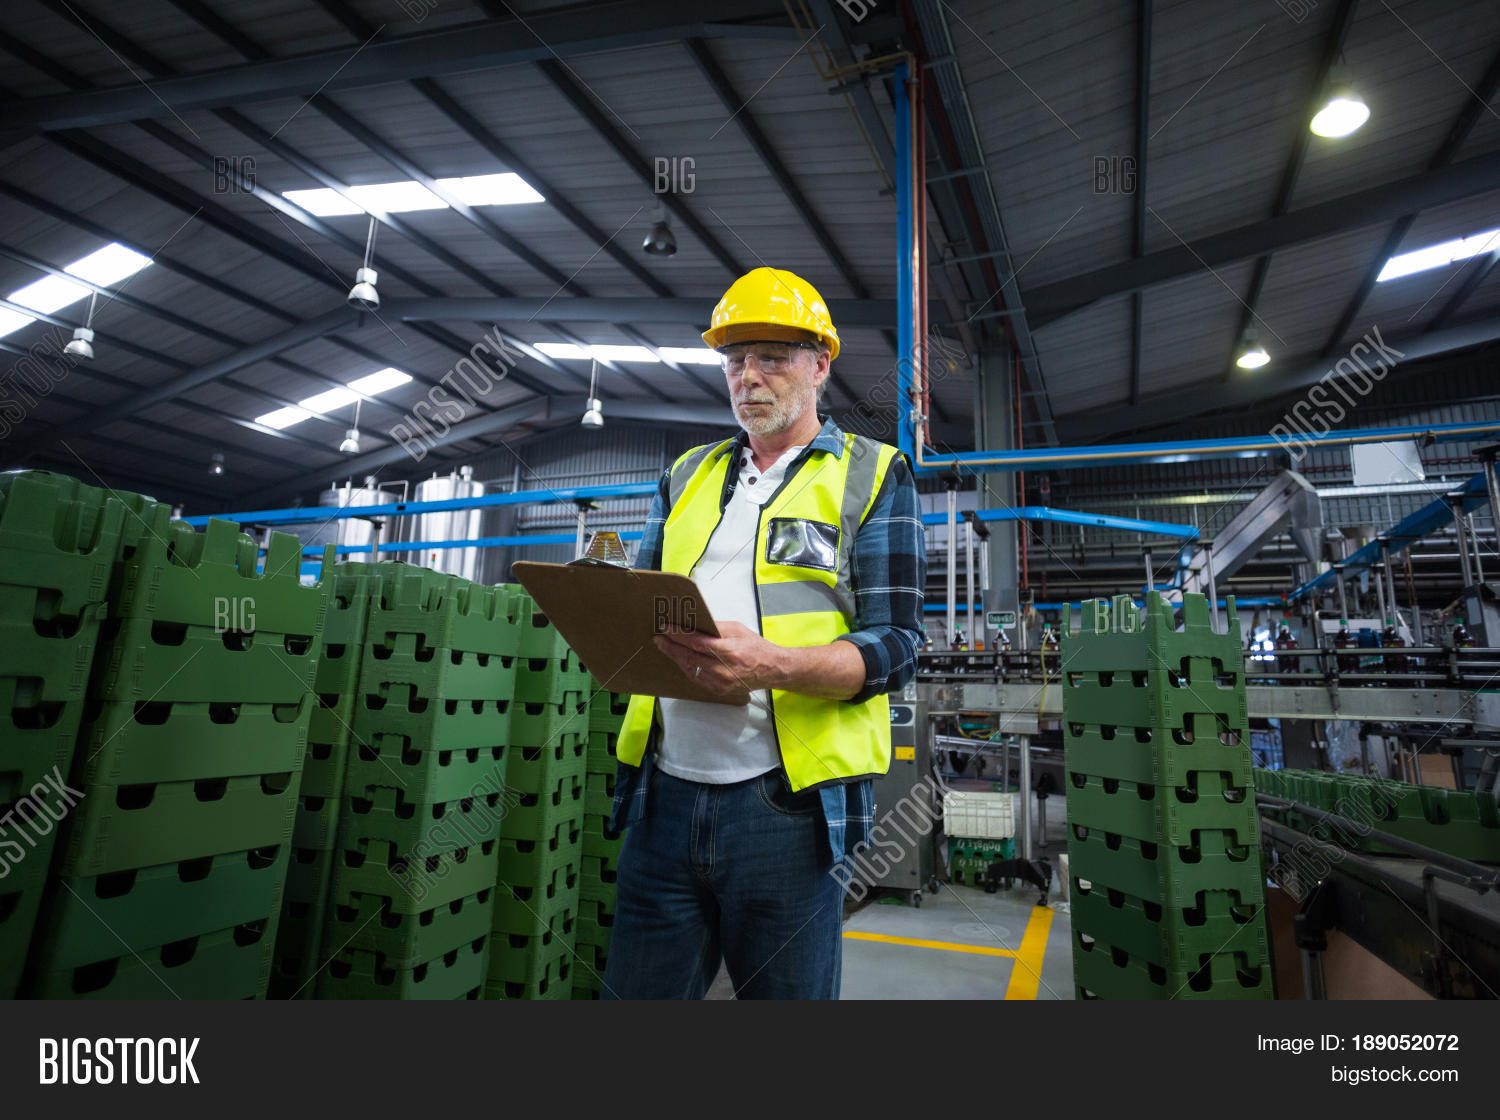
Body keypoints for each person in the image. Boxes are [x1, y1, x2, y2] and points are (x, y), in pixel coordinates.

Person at [601, 267, 926, 999]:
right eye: (735, 359)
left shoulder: (874, 474)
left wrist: (771, 665)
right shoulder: (685, 475)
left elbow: (898, 644)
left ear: (820, 364)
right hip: (662, 799)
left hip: (788, 810)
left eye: (772, 357)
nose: (748, 376)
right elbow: (637, 604)